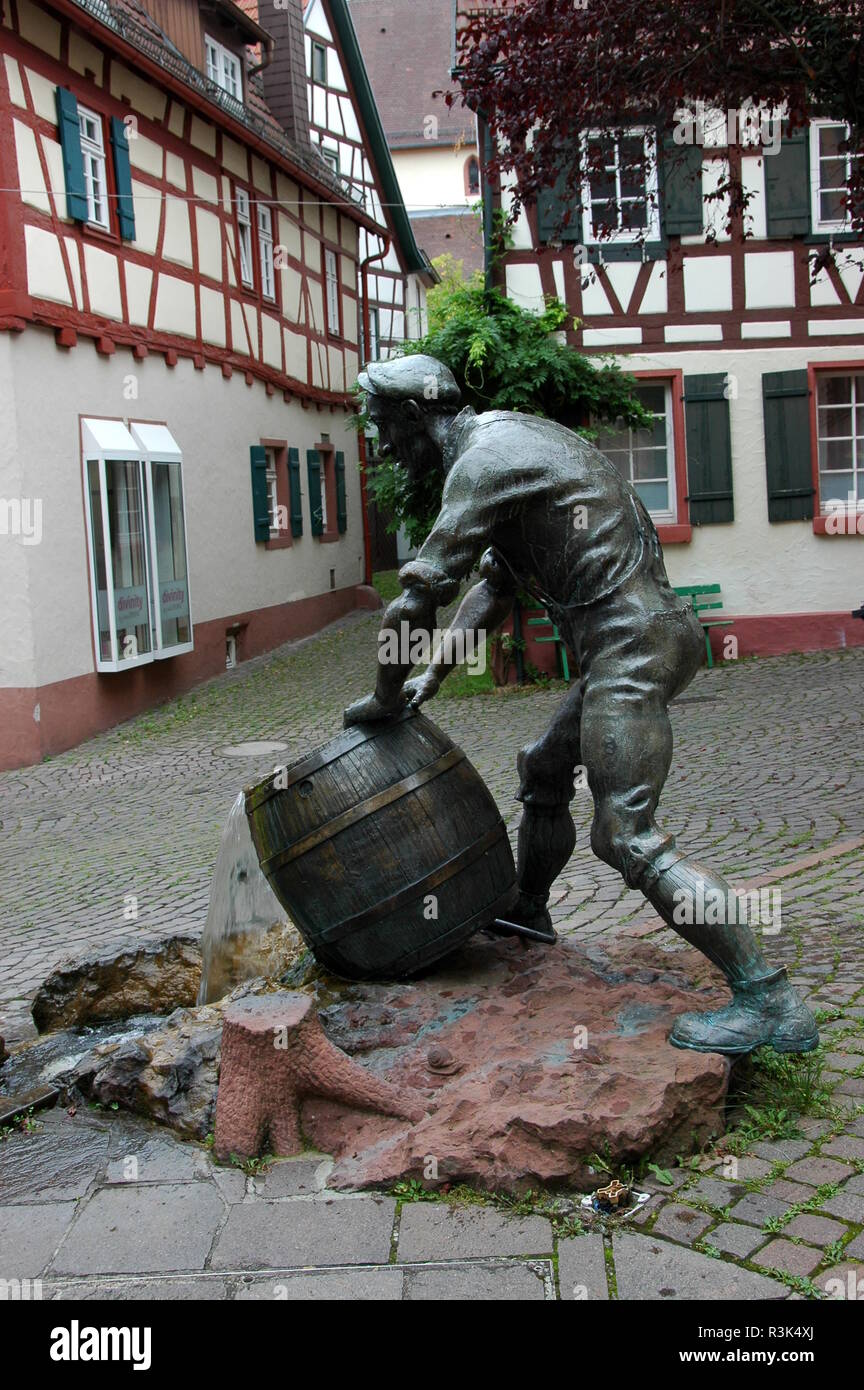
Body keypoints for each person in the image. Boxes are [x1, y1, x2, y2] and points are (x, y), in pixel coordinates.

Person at [344, 354, 817, 1057]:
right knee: (542, 768)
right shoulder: (510, 440)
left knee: (626, 834)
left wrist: (385, 698)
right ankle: (528, 914)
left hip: (632, 645)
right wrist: (431, 680)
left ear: (416, 415)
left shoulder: (480, 463)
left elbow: (415, 600)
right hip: (637, 639)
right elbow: (494, 588)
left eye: (384, 427)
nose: (382, 446)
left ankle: (771, 1002)